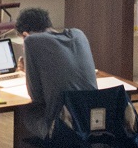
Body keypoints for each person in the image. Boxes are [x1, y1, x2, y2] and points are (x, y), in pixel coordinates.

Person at [16, 7, 97, 139]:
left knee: (27, 113)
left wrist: (30, 70)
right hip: (93, 117)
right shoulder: (78, 35)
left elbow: (36, 96)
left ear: (25, 35)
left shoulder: (31, 41)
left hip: (63, 123)